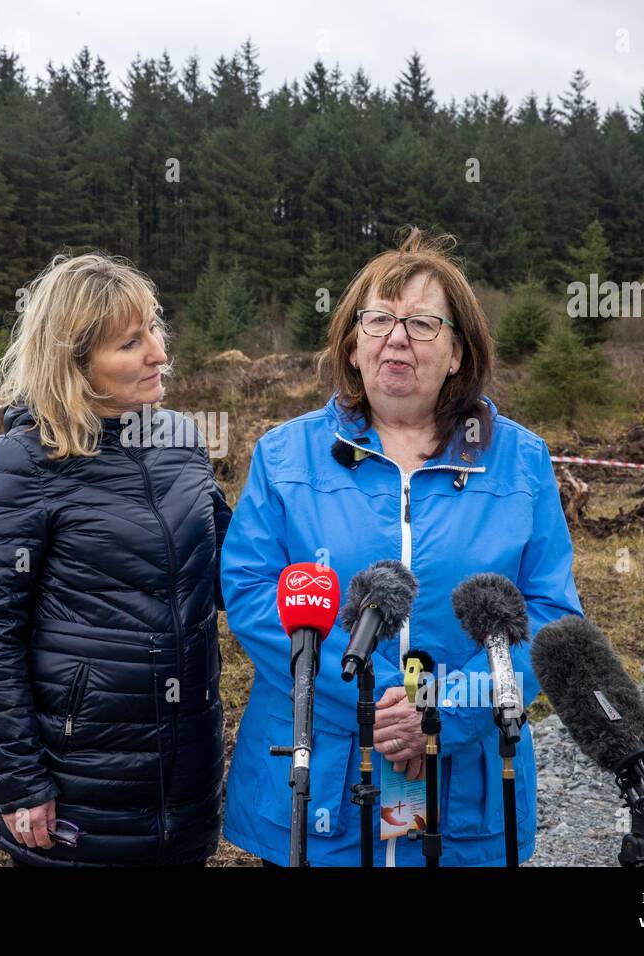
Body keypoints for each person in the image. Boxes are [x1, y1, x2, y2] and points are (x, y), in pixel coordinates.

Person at [220, 228, 583, 866]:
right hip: (326, 780)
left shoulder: (522, 461)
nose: (395, 337)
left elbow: (550, 614)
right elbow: (253, 593)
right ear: (354, 345)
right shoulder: (285, 456)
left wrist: (442, 710)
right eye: (379, 319)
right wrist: (378, 701)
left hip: (468, 786)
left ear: (457, 353)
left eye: (421, 324)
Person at [0, 252, 231, 866]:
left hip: (186, 764)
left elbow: (229, 572)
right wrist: (19, 780)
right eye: (131, 342)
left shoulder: (179, 440)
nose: (159, 352)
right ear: (74, 361)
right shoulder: (23, 461)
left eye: (155, 330)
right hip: (79, 775)